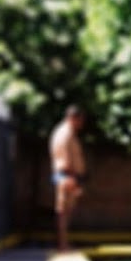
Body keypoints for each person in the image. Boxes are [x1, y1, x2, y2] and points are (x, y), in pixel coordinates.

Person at [49, 105, 87, 251]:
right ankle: (62, 245)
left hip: (67, 175)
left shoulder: (67, 132)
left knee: (66, 210)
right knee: (63, 210)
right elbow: (64, 159)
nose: (81, 123)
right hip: (65, 175)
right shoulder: (65, 134)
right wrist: (73, 179)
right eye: (80, 120)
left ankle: (63, 243)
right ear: (72, 118)